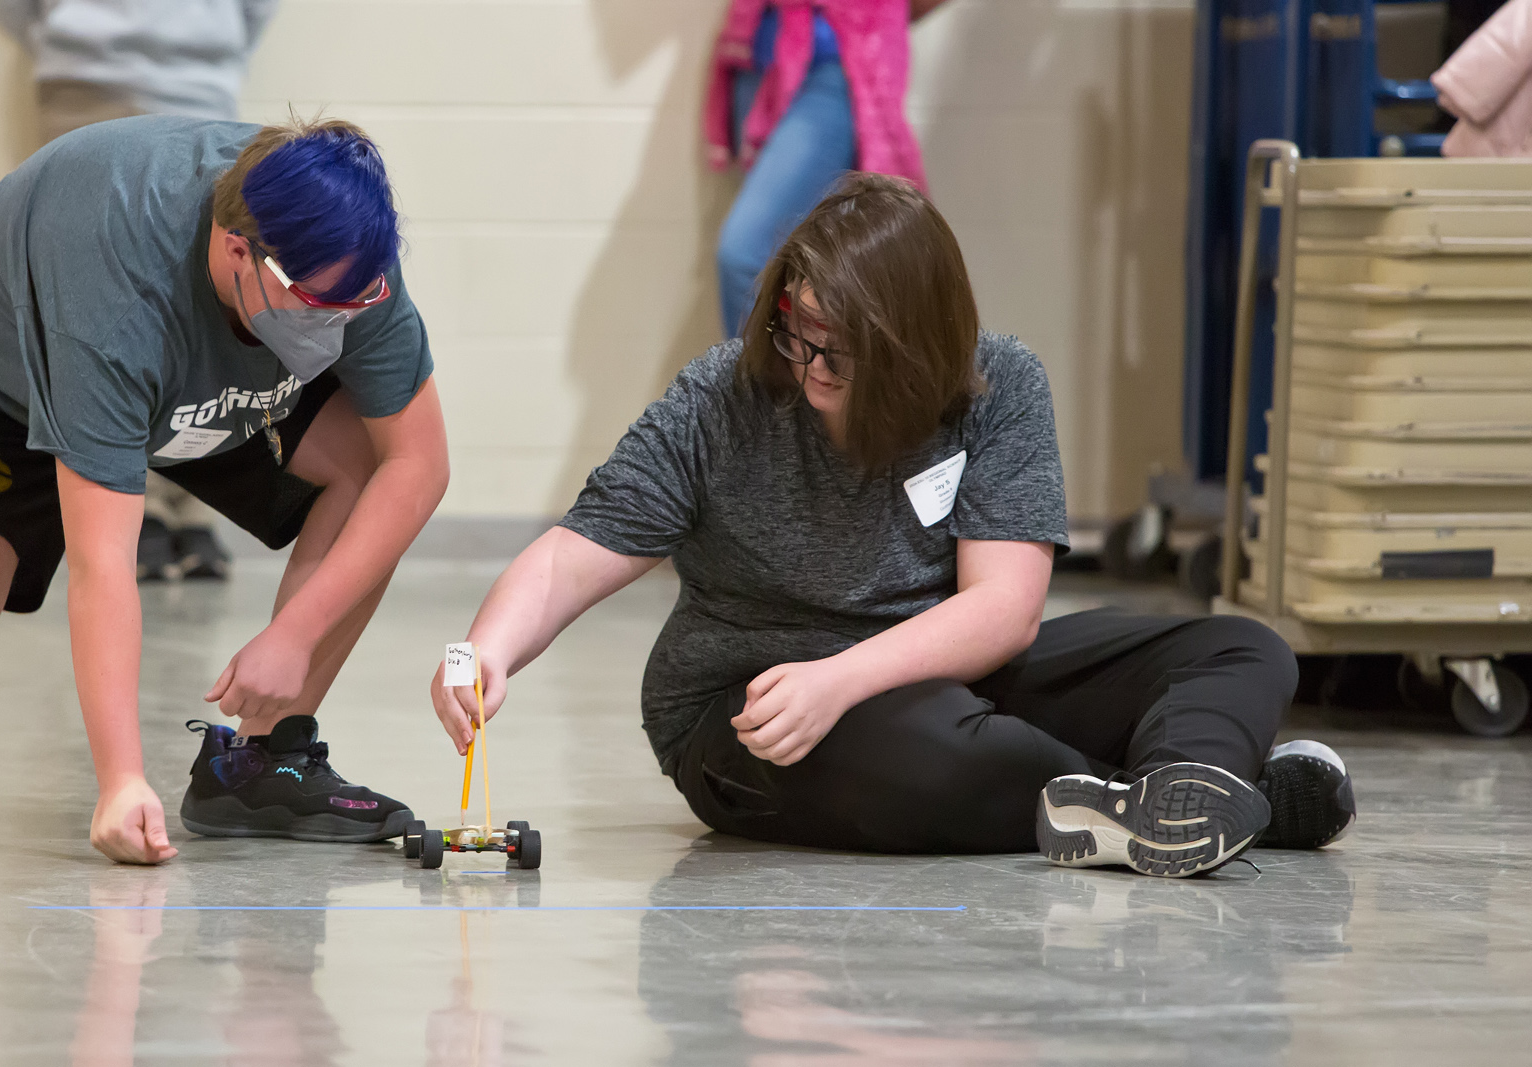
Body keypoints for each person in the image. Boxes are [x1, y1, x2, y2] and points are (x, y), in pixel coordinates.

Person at [431, 174, 1356, 878]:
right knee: (938, 757)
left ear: (916, 345)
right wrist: (487, 651)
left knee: (1242, 648)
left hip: (938, 674)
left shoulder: (999, 385)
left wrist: (846, 676)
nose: (812, 365)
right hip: (752, 713)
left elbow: (1002, 612)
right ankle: (1224, 797)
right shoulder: (721, 397)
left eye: (843, 348)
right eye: (798, 331)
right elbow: (571, 554)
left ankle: (1180, 797)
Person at [0, 115, 448, 864]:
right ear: (239, 250)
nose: (335, 329)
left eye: (355, 306)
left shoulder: (346, 258)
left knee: (370, 466)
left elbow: (418, 464)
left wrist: (296, 633)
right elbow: (104, 563)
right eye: (316, 304)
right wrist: (121, 781)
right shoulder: (113, 275)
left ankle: (262, 762)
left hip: (213, 365)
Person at [0, 0, 287, 582]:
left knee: (207, 296)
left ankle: (194, 503)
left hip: (201, 85)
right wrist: (69, 32)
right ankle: (132, 497)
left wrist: (209, 47)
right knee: (103, 304)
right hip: (86, 81)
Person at [705, 0, 949, 338]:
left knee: (746, 256)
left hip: (836, 65)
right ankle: (791, 384)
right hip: (764, 66)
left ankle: (762, 390)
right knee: (805, 274)